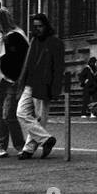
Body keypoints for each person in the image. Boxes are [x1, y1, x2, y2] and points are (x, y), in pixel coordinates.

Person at [16, 12, 65, 159]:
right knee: (21, 113)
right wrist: (22, 81)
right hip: (30, 83)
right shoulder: (33, 41)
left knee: (40, 118)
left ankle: (28, 150)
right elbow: (27, 63)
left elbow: (58, 68)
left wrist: (55, 88)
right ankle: (46, 139)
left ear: (46, 26)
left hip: (44, 84)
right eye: (35, 26)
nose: (37, 29)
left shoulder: (55, 43)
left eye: (40, 26)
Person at [0, 9, 28, 157]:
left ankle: (19, 145)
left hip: (12, 79)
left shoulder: (16, 36)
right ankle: (1, 145)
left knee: (9, 113)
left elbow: (22, 58)